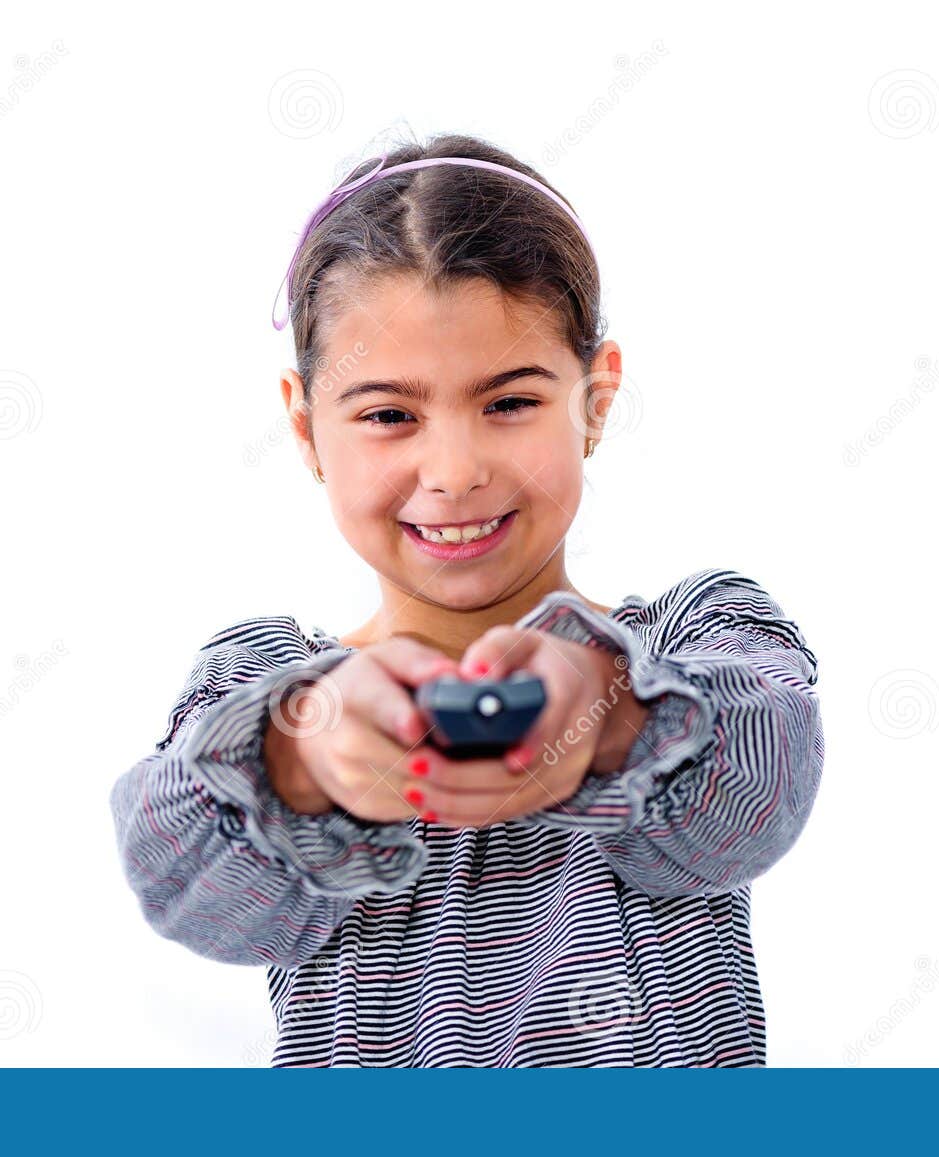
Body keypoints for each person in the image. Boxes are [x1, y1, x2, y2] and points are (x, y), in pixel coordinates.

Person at [109, 131, 825, 1066]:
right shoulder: (266, 683)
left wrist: (607, 717)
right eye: (388, 416)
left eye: (510, 403)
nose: (451, 473)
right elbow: (179, 879)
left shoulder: (700, 639)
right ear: (305, 425)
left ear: (596, 400)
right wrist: (303, 756)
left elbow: (765, 781)